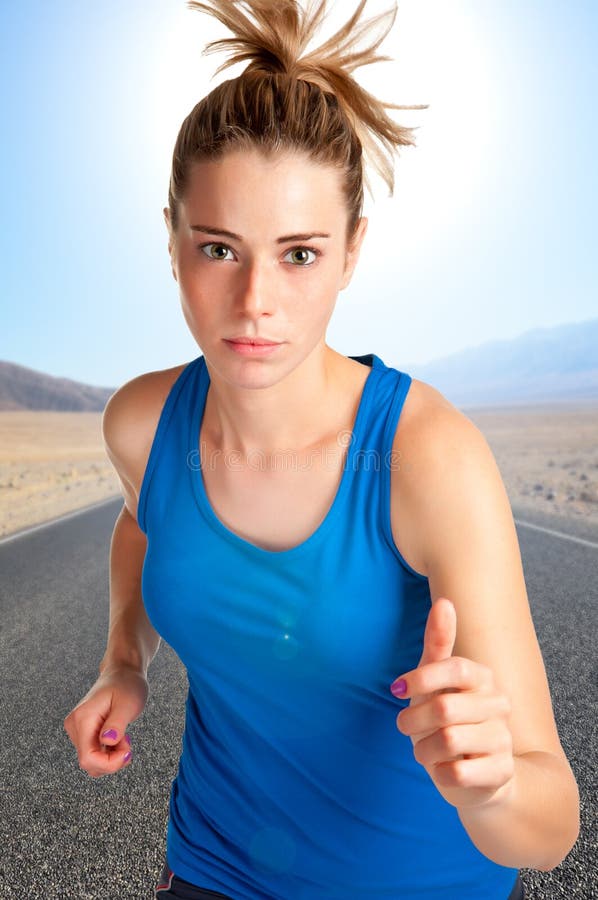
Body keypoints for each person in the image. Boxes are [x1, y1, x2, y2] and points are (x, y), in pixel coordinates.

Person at [63, 1, 580, 898]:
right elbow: (143, 522)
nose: (256, 299)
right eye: (219, 248)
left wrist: (492, 782)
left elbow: (551, 828)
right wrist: (123, 659)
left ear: (350, 255)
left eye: (299, 255)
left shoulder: (428, 461)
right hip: (213, 870)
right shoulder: (143, 424)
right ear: (172, 243)